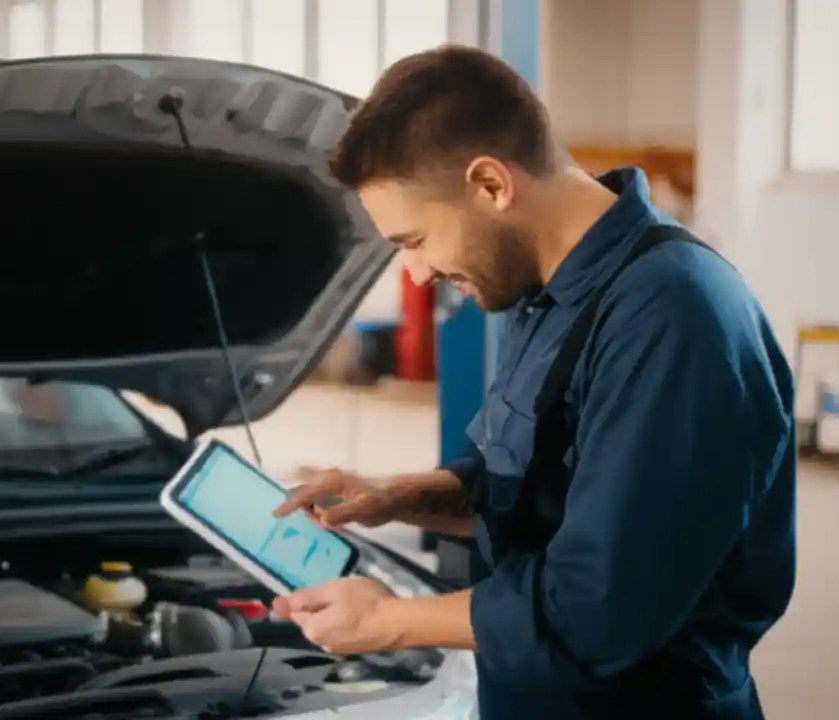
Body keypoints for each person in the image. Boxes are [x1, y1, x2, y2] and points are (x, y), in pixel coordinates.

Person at [270, 45, 795, 719]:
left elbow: (603, 607)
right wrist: (402, 497)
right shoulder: (548, 293)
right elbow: (540, 486)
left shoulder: (673, 316)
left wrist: (390, 621)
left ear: (490, 184)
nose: (419, 275)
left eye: (415, 239)